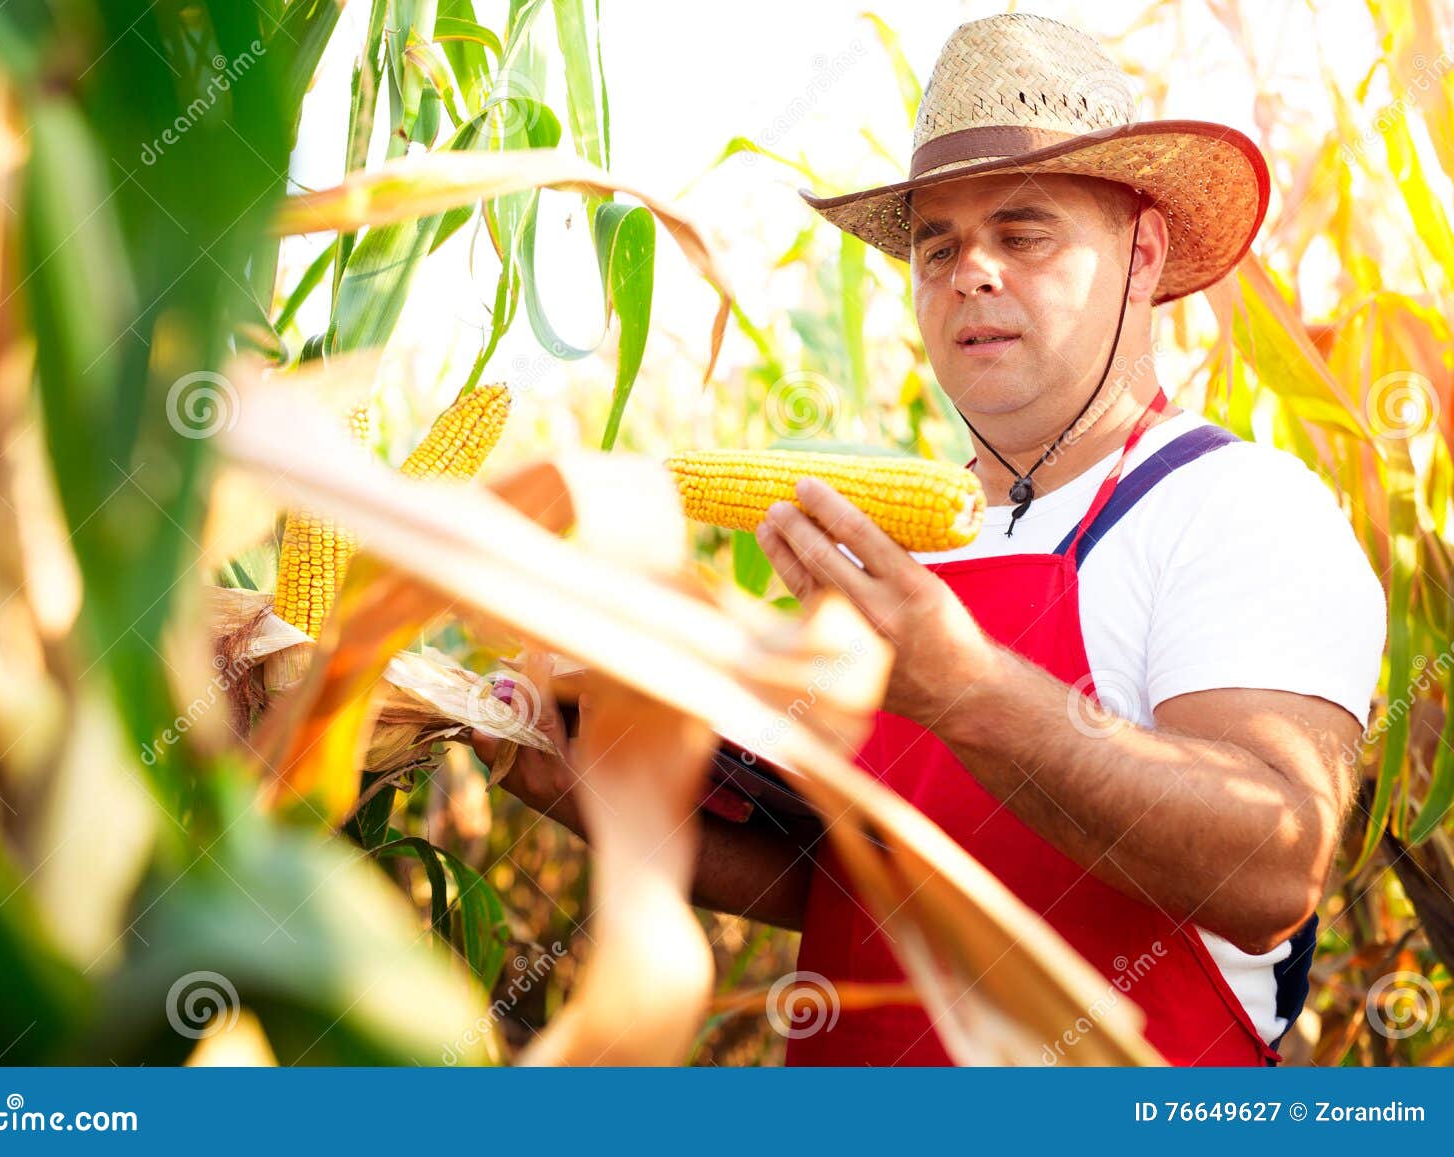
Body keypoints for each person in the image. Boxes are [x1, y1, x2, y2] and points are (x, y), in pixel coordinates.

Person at [479, 12, 1386, 1066]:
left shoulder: (1239, 507)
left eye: (1023, 232)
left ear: (1142, 254)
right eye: (937, 245)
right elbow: (835, 876)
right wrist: (546, 764)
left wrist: (964, 688)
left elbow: (1273, 865)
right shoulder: (882, 550)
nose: (972, 273)